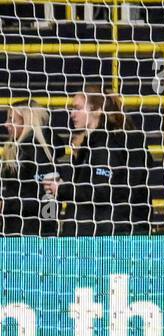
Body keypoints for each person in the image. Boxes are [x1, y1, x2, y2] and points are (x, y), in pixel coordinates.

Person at [49, 86, 155, 235]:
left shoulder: (105, 146)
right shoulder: (94, 144)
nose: (72, 114)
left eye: (77, 108)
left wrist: (61, 189)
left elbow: (101, 191)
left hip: (106, 236)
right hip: (111, 233)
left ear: (97, 110)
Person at [0, 103, 61, 236]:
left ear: (26, 121)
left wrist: (6, 204)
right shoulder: (19, 151)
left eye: (11, 119)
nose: (5, 124)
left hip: (30, 235)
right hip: (16, 230)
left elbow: (47, 199)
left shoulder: (36, 153)